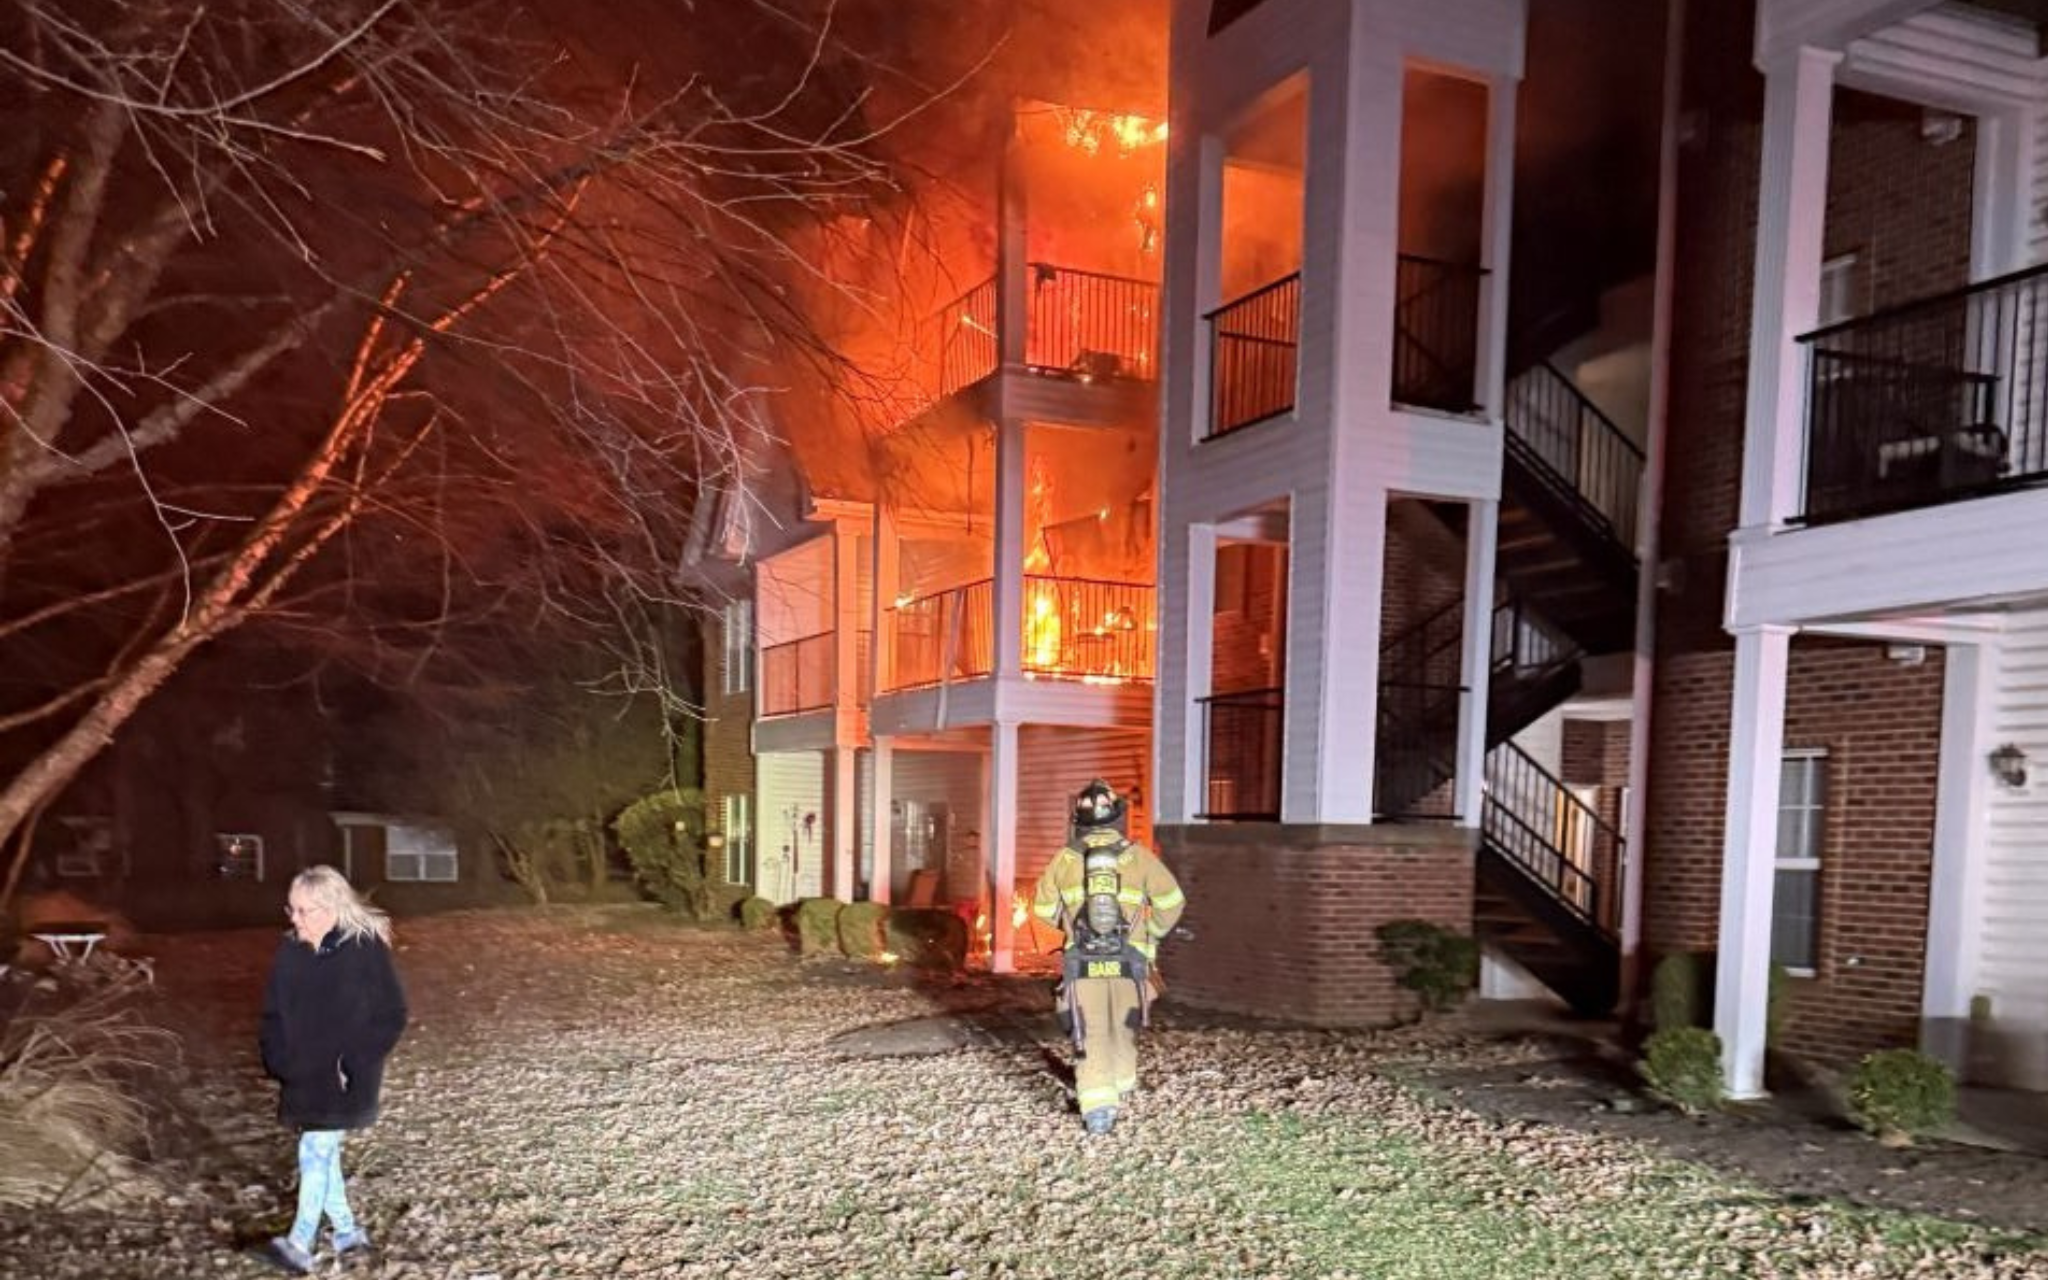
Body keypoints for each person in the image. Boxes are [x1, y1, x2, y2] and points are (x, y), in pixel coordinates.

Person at [257, 866, 408, 1274]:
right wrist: (277, 1058)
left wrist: (355, 1061)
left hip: (344, 1077)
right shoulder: (290, 951)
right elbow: (271, 1013)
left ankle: (298, 1243)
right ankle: (347, 1232)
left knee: (315, 1152)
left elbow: (392, 1014)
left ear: (330, 909)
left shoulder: (365, 950)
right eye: (291, 908)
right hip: (300, 1074)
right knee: (323, 1154)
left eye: (304, 910)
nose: (294, 918)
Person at [1029, 779, 1185, 1135]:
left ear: (1078, 822)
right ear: (1117, 819)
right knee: (1124, 1025)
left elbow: (1041, 908)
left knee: (1092, 1028)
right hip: (1133, 960)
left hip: (1082, 960)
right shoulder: (1139, 856)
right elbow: (1172, 903)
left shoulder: (1065, 860)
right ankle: (1121, 1085)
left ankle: (1099, 1109)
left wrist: (1069, 925)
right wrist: (1151, 934)